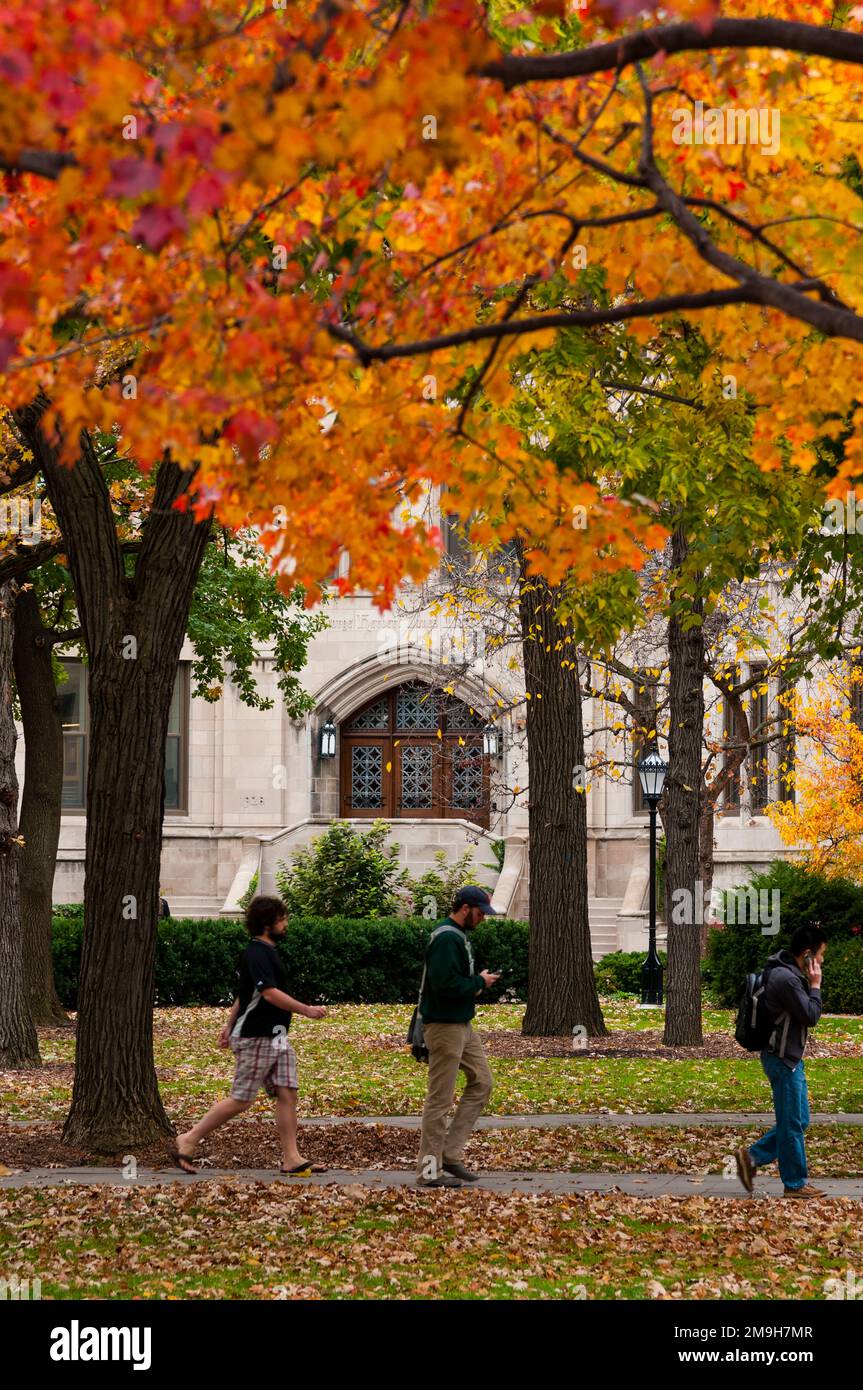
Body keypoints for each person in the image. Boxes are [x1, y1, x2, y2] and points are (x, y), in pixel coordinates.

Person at [170, 895, 327, 1176]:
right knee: (242, 1098)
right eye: (282, 919)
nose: (286, 924)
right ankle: (189, 1138)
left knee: (287, 1092)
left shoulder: (268, 952)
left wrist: (227, 1026)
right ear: (268, 923)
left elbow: (244, 996)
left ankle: (292, 1158)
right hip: (257, 1036)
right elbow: (267, 993)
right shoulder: (255, 953)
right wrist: (306, 1010)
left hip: (276, 1037)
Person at [416, 885, 502, 1188]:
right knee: (439, 1099)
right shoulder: (446, 938)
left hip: (462, 1024)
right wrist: (478, 981)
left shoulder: (457, 937)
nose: (482, 919)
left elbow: (454, 982)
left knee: (482, 1081)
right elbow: (444, 985)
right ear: (465, 908)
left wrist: (477, 983)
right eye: (480, 914)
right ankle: (429, 1170)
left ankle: (449, 1154)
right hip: (444, 1027)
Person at [735, 923, 828, 1199]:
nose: (822, 961)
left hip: (788, 1058)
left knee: (799, 1121)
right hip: (783, 1059)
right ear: (809, 954)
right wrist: (815, 986)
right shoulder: (786, 979)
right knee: (791, 1124)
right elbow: (811, 1015)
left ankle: (750, 1159)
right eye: (821, 955)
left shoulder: (783, 972)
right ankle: (795, 1184)